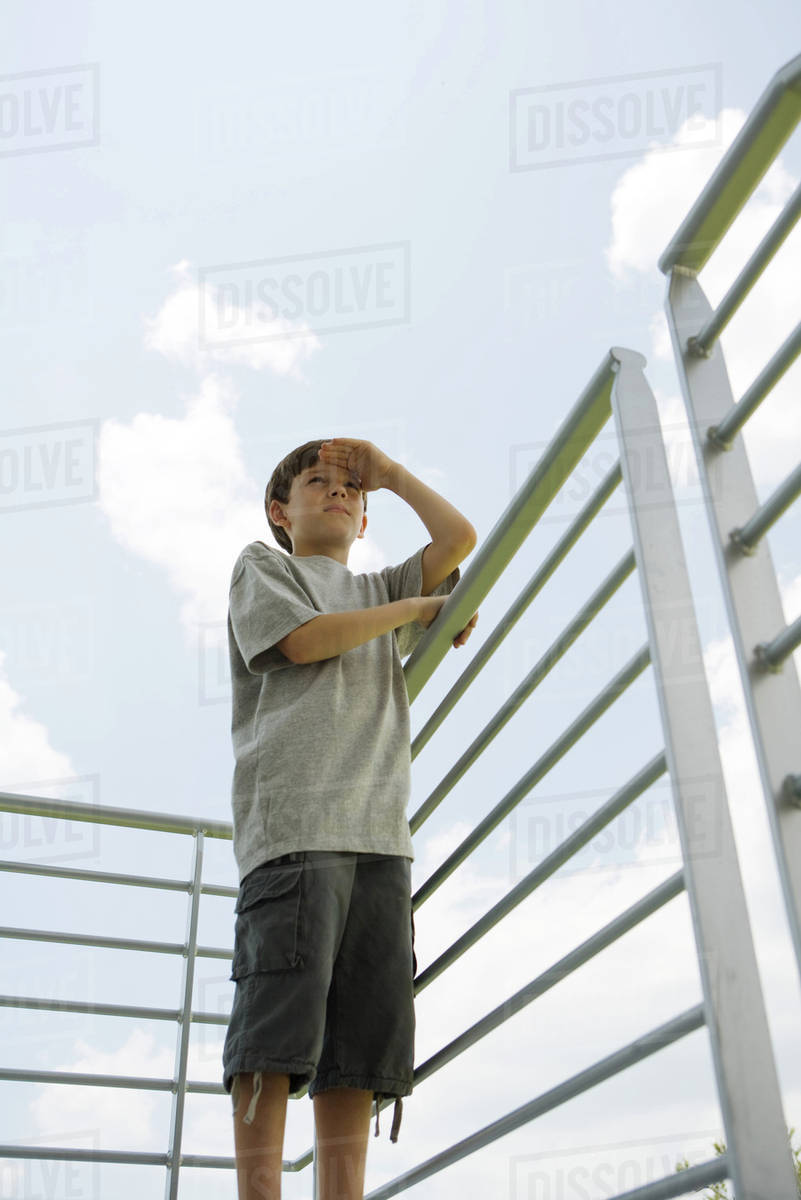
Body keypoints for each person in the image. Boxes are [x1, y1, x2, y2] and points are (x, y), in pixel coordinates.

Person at [222, 436, 479, 1200]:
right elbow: (304, 642)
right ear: (280, 511)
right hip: (295, 827)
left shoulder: (379, 588)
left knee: (357, 1051)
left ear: (364, 518)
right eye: (316, 482)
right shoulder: (263, 566)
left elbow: (458, 539)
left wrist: (390, 473)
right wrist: (419, 611)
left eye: (350, 488)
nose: (337, 492)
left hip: (379, 839)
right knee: (274, 1032)